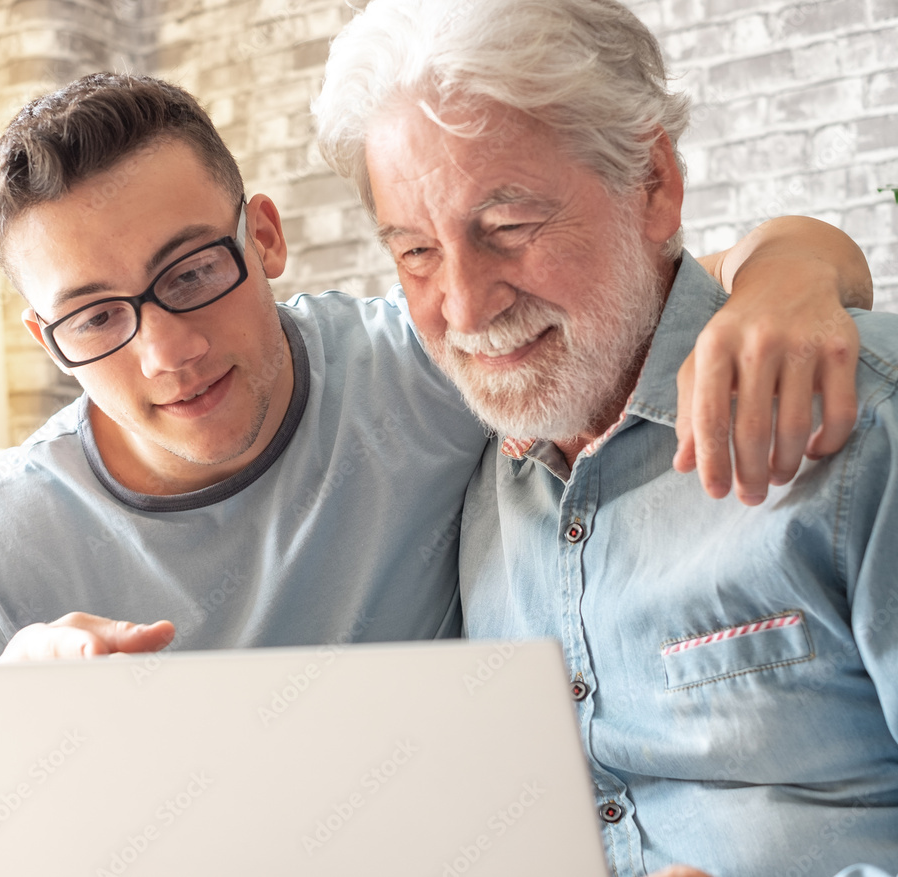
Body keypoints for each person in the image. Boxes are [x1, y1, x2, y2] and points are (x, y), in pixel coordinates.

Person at [0, 71, 874, 876]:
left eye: (192, 270)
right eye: (96, 317)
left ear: (265, 237)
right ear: (46, 341)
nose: (166, 351)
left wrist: (791, 270)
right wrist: (2, 754)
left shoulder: (442, 366)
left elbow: (669, 302)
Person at [313, 1, 898, 876]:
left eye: (509, 228)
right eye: (416, 254)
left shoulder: (860, 421)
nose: (469, 310)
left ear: (654, 183)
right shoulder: (451, 450)